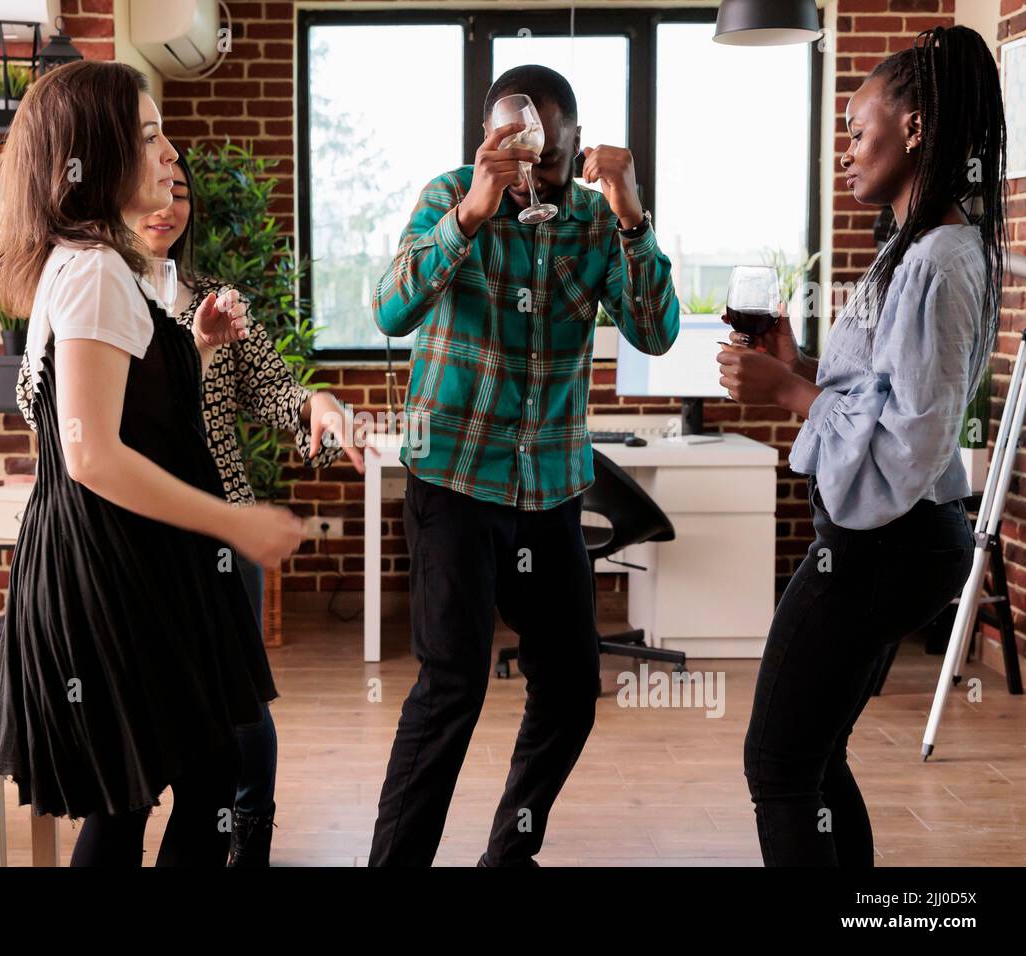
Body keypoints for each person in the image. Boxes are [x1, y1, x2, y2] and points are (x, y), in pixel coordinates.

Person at [0, 60, 306, 867]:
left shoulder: (98, 268)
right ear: (95, 153)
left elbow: (123, 410)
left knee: (168, 784)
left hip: (115, 565)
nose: (168, 154)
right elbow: (89, 452)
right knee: (153, 792)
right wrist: (236, 520)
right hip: (107, 572)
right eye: (150, 134)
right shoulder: (93, 272)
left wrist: (190, 349)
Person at [368, 64, 680, 866]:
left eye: (547, 156)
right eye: (514, 148)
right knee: (453, 689)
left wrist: (635, 218)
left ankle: (510, 852)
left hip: (546, 491)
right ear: (488, 138)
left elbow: (655, 333)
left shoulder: (594, 220)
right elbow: (390, 309)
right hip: (455, 482)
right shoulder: (450, 195)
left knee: (571, 690)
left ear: (575, 151)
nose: (527, 171)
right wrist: (468, 218)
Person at [717, 26, 1006, 866]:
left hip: (889, 545)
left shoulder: (941, 258)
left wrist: (793, 394)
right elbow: (884, 393)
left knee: (777, 764)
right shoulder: (913, 248)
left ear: (914, 130)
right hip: (889, 542)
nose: (843, 153)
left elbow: (913, 442)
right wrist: (799, 365)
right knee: (812, 757)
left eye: (854, 128)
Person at [129, 151, 364, 865]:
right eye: (152, 190)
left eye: (178, 192)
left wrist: (318, 406)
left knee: (242, 707)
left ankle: (250, 838)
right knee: (145, 706)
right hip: (132, 536)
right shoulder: (94, 297)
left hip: (223, 532)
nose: (167, 205)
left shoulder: (219, 299)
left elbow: (278, 394)